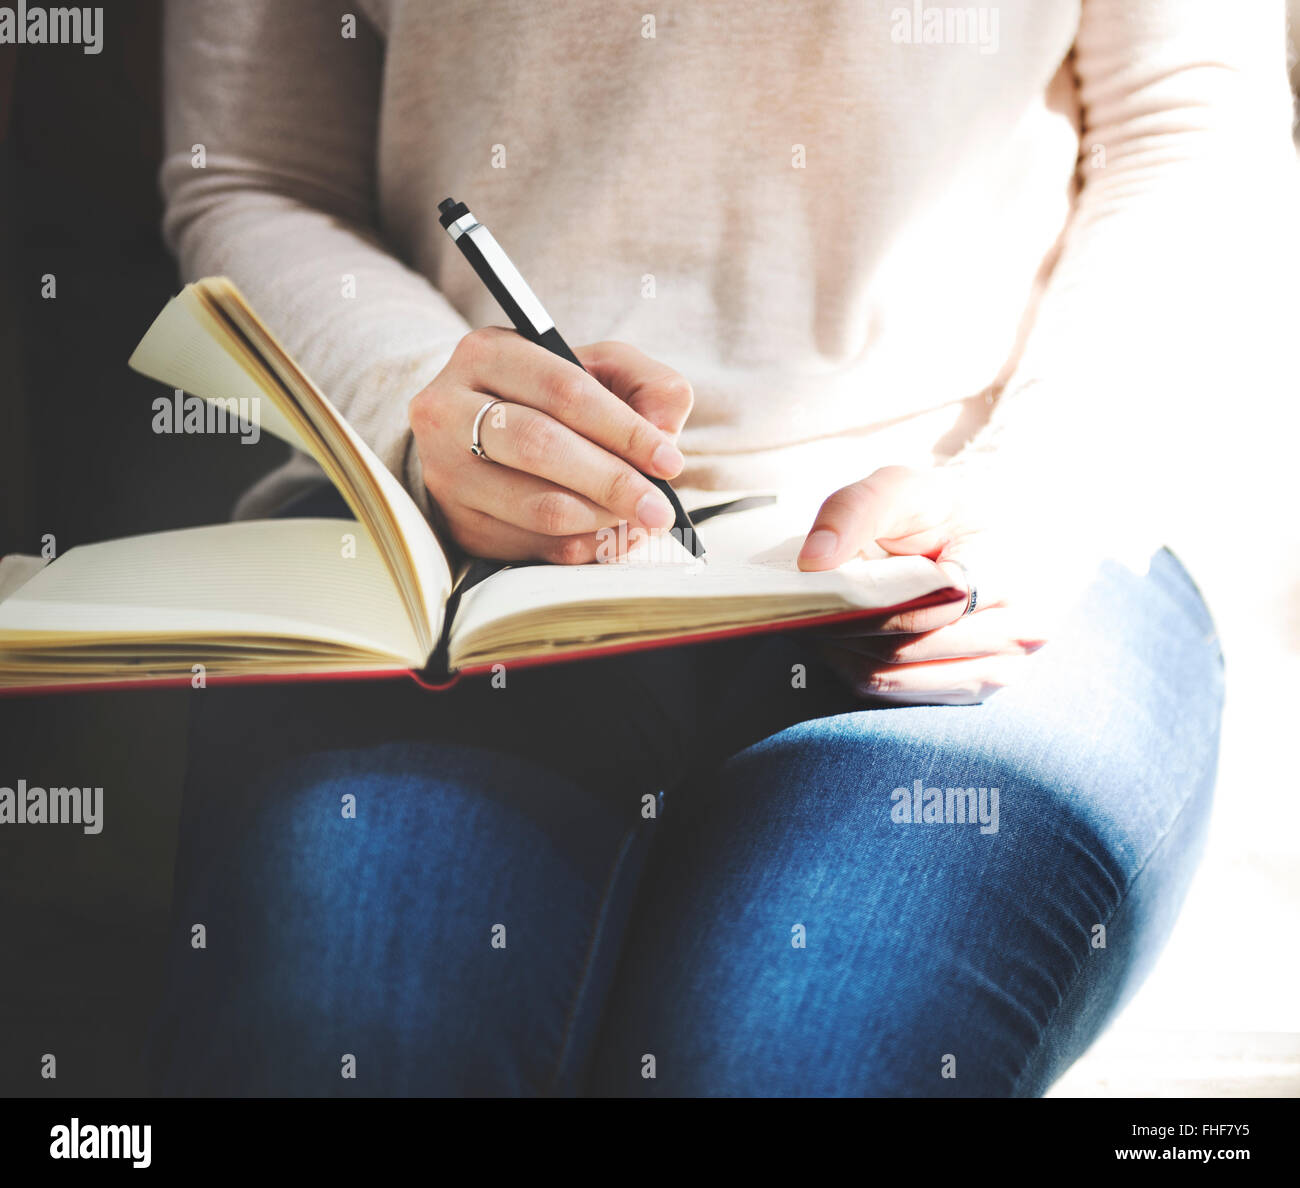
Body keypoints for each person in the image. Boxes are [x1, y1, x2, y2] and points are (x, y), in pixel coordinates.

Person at [147, 0, 1292, 1095]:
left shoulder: (1013, 505)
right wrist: (419, 410)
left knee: (793, 1063)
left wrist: (1031, 487)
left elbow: (1192, 122)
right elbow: (254, 175)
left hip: (962, 526)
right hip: (448, 561)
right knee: (353, 1038)